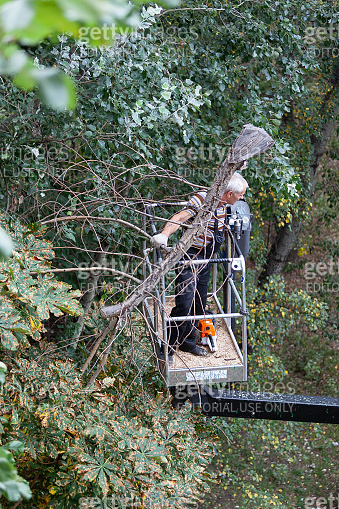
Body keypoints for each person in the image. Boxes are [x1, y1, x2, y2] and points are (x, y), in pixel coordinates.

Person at [151, 172, 248, 361]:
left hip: (206, 258)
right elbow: (179, 218)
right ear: (229, 193)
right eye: (240, 195)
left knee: (198, 306)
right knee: (184, 305)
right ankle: (167, 348)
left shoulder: (225, 205)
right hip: (190, 257)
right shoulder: (203, 199)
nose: (242, 198)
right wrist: (164, 235)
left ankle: (187, 343)